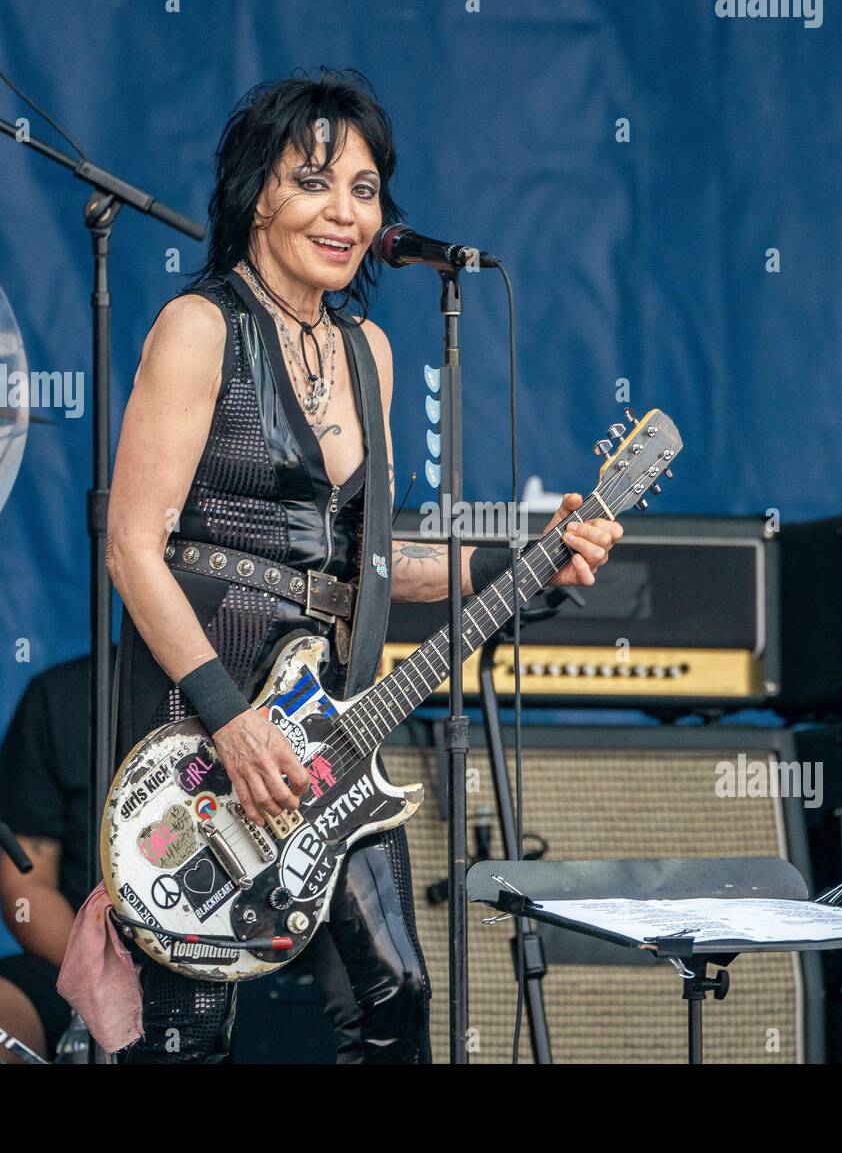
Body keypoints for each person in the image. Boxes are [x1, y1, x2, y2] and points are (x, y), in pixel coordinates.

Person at [104, 67, 623, 1064]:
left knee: (398, 997)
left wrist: (532, 558)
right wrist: (229, 714)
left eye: (365, 188)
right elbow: (134, 544)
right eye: (314, 182)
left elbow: (374, 562)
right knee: (191, 1025)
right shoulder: (201, 328)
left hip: (331, 725)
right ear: (258, 193)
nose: (345, 212)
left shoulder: (369, 350)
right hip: (204, 729)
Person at [0, 654, 94, 1061]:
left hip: (247, 972)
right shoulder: (64, 694)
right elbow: (26, 887)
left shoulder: (277, 689)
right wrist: (102, 978)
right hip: (82, 964)